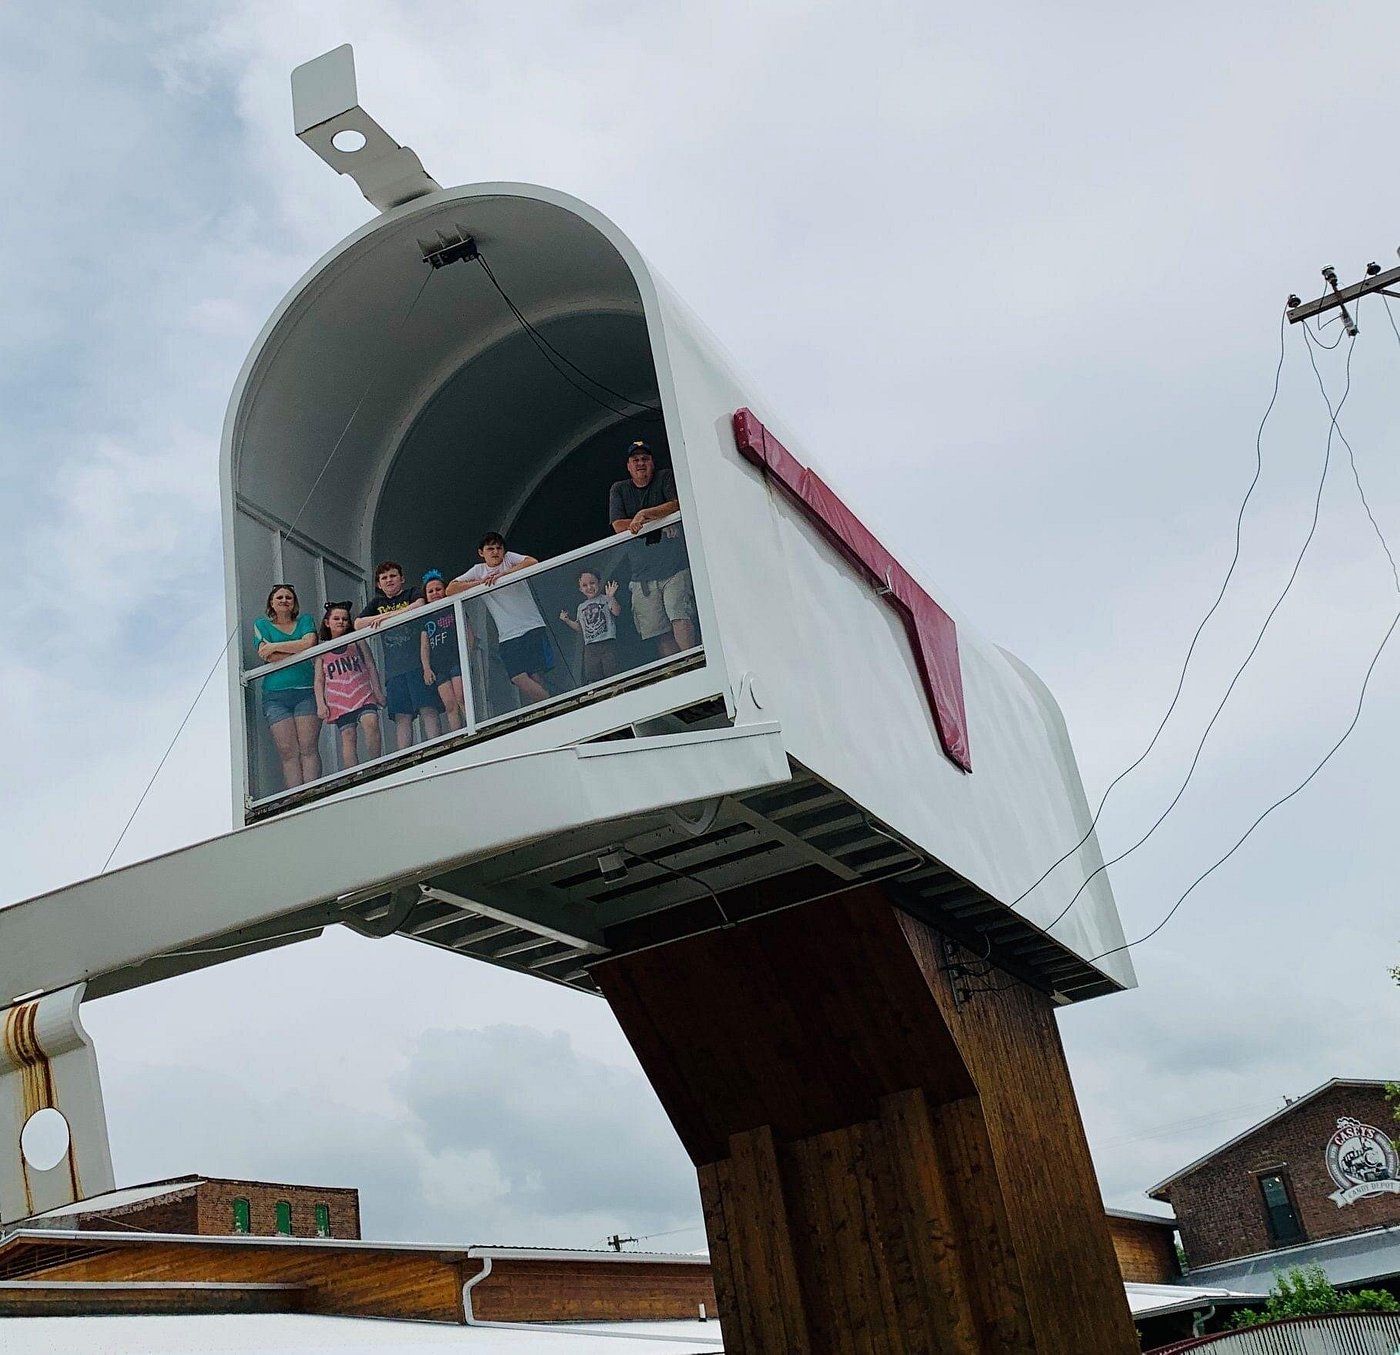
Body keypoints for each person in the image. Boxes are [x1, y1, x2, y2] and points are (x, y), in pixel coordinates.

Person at [607, 440, 696, 656]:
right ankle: (679, 671)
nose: (640, 463)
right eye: (635, 460)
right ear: (628, 466)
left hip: (673, 567)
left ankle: (693, 661)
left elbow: (676, 503)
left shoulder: (664, 477)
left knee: (679, 617)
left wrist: (644, 515)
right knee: (659, 631)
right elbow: (619, 526)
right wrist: (658, 523)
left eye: (645, 459)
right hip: (642, 575)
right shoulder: (619, 489)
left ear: (652, 463)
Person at [446, 533, 553, 706]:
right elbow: (451, 589)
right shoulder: (478, 570)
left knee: (536, 673)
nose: (495, 552)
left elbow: (531, 562)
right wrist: (480, 583)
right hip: (507, 633)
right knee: (517, 676)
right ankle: (549, 702)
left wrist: (503, 574)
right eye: (490, 549)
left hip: (531, 625)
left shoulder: (509, 560)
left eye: (498, 548)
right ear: (481, 553)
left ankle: (545, 708)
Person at [354, 560, 441, 751]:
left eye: (393, 576)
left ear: (402, 578)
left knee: (428, 709)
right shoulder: (377, 603)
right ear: (378, 584)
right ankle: (404, 757)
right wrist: (380, 617)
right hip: (394, 671)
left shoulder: (411, 593)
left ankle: (437, 748)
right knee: (402, 716)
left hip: (419, 664)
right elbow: (358, 623)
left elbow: (419, 604)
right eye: (384, 578)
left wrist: (389, 617)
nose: (389, 580)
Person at [253, 583, 321, 790]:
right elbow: (267, 655)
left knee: (308, 747)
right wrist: (294, 648)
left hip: (305, 691)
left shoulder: (305, 621)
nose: (284, 600)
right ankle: (295, 796)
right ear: (271, 603)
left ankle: (312, 792)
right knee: (287, 751)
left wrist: (275, 646)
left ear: (294, 603)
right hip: (275, 696)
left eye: (288, 597)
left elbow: (309, 643)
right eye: (280, 597)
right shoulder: (261, 624)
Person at [315, 601, 384, 770]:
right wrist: (320, 703)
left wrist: (378, 691)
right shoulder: (321, 650)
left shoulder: (357, 641)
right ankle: (353, 774)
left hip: (362, 692)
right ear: (327, 622)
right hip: (339, 699)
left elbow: (370, 665)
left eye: (345, 619)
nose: (341, 622)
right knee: (348, 736)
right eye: (336, 618)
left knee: (371, 722)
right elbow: (318, 680)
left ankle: (376, 764)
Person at [419, 570, 466, 732]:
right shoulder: (426, 617)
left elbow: (469, 633)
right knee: (450, 704)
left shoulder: (453, 608)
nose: (435, 593)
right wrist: (426, 668)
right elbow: (424, 646)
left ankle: (472, 729)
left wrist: (468, 655)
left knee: (461, 697)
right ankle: (458, 735)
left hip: (456, 660)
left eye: (438, 589)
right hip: (439, 666)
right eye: (430, 591)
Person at [559, 570, 622, 684]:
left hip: (607, 641)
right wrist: (567, 620)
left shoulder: (605, 598)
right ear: (580, 589)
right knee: (593, 676)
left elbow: (616, 612)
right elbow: (580, 628)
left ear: (599, 582)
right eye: (584, 585)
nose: (589, 587)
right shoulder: (581, 607)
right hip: (590, 647)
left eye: (592, 583)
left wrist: (611, 597)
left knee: (612, 672)